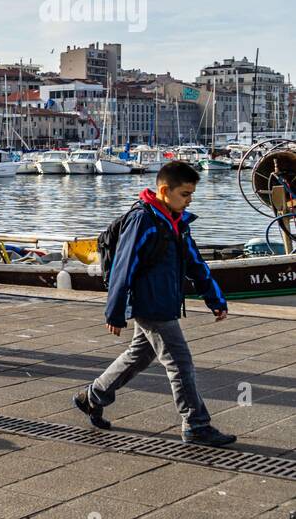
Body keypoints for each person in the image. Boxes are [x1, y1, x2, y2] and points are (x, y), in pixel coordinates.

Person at [74, 161, 235, 446]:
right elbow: (125, 266)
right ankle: (196, 425)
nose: (189, 200)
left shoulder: (176, 221)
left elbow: (195, 263)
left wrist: (215, 298)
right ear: (164, 190)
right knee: (180, 361)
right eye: (185, 194)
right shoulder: (143, 221)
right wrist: (115, 311)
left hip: (164, 301)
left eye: (191, 195)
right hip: (151, 305)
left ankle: (93, 396)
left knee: (140, 354)